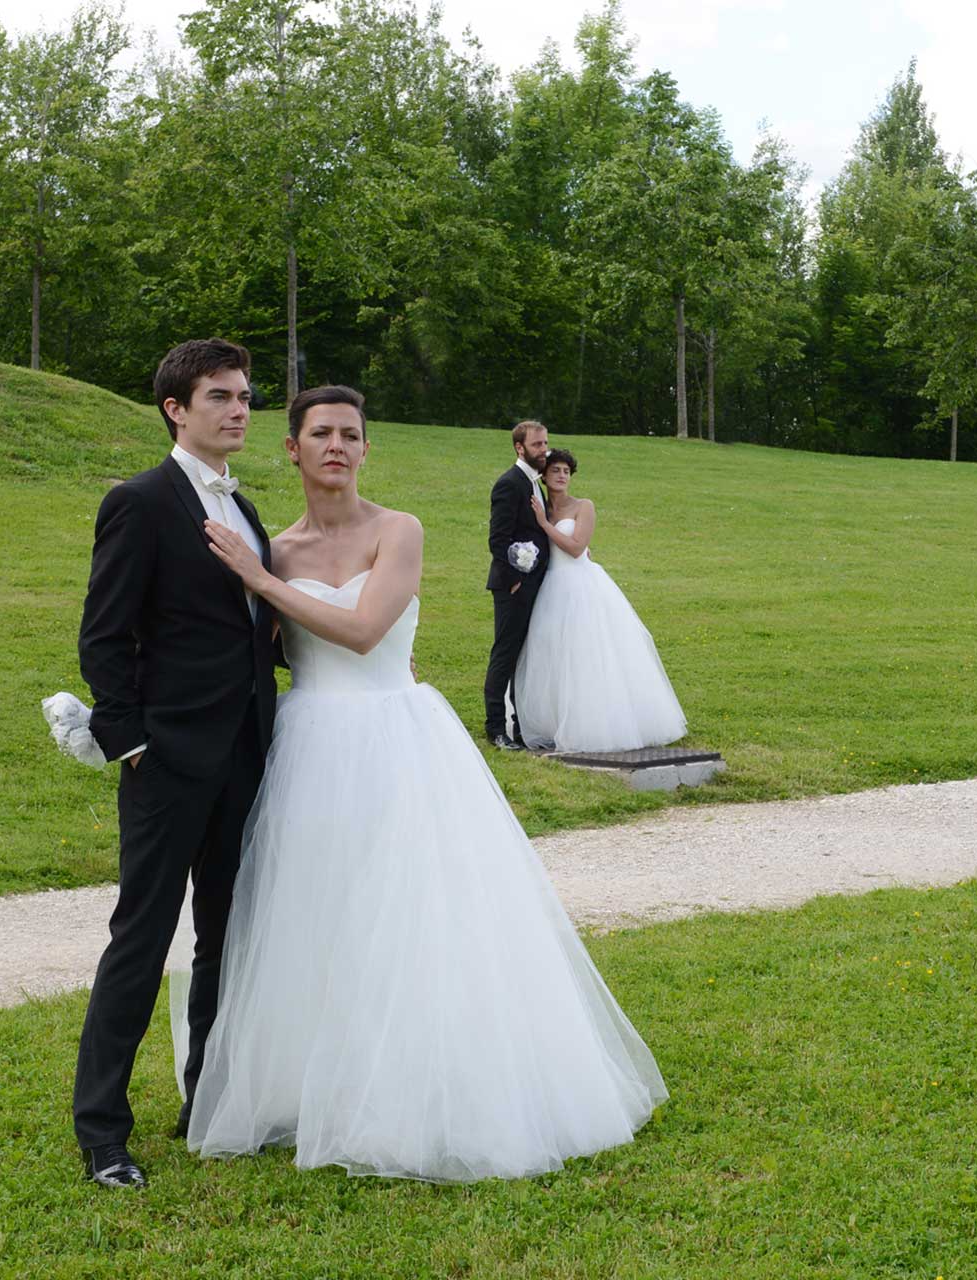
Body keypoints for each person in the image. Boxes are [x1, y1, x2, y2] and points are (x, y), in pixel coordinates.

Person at [184, 386, 666, 1182]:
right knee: (317, 911)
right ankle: (316, 1085)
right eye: (320, 434)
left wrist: (259, 583)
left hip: (397, 738)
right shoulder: (275, 547)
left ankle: (418, 1090)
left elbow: (365, 629)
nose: (336, 446)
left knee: (411, 912)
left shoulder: (396, 530)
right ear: (292, 449)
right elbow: (257, 647)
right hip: (307, 743)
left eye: (351, 434)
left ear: (366, 449)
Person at [72, 339, 279, 1189]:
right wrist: (130, 744)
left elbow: (252, 627)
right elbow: (104, 634)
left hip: (247, 755)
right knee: (143, 936)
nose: (239, 409)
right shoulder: (140, 502)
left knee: (227, 937)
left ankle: (207, 1101)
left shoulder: (246, 507)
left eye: (245, 396)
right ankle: (102, 1133)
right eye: (220, 396)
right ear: (176, 409)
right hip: (166, 761)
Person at [513, 449, 687, 751]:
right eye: (555, 470)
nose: (562, 476)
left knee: (588, 653)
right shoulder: (540, 505)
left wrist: (545, 525)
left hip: (581, 586)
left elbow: (576, 548)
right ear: (544, 475)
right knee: (553, 654)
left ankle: (597, 723)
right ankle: (554, 722)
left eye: (567, 471)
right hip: (551, 586)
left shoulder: (583, 506)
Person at [482, 420, 554, 749]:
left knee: (525, 656)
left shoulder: (536, 483)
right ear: (519, 447)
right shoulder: (509, 484)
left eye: (545, 443)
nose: (544, 450)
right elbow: (498, 540)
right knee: (506, 654)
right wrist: (514, 580)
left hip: (535, 584)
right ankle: (496, 728)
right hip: (513, 586)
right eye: (537, 444)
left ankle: (521, 726)